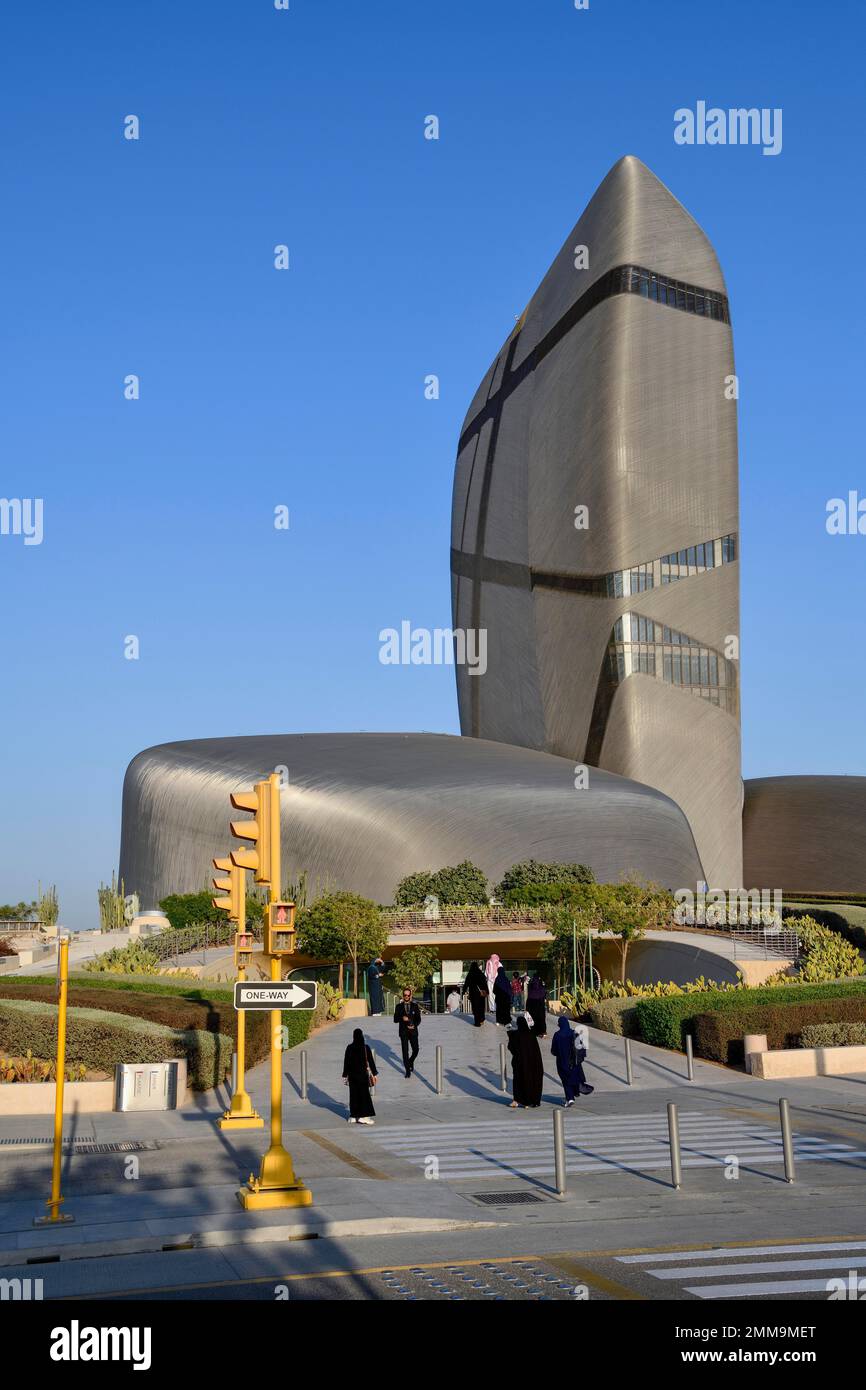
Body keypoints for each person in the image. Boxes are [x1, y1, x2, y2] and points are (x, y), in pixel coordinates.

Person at [550, 1015, 594, 1106]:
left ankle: (570, 1098)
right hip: (574, 1062)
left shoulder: (557, 1035)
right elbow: (581, 1048)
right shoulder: (574, 1033)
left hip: (562, 1062)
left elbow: (554, 1050)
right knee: (573, 1078)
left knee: (565, 1080)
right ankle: (576, 1091)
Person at [341, 1027, 378, 1124]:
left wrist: (345, 1074)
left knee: (353, 1096)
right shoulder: (365, 1048)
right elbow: (371, 1062)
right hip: (362, 1076)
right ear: (362, 1036)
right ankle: (364, 1117)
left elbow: (346, 1062)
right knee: (364, 1096)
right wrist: (374, 1074)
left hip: (352, 1076)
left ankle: (353, 1116)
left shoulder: (349, 1047)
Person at [506, 1015, 544, 1108]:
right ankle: (531, 1101)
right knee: (532, 1081)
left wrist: (510, 1033)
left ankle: (517, 1101)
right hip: (534, 1064)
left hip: (520, 1064)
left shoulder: (516, 1035)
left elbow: (511, 1048)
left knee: (519, 1082)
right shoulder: (531, 1034)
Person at [394, 986, 422, 1077]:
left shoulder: (415, 1006)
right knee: (405, 1052)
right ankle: (407, 1071)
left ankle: (410, 1061)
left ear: (410, 996)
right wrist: (402, 1018)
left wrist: (414, 1025)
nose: (406, 996)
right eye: (405, 995)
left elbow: (418, 1019)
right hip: (403, 1032)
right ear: (403, 996)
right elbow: (395, 1019)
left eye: (408, 995)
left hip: (413, 1031)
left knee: (416, 1050)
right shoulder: (398, 1006)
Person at [463, 960, 488, 1027]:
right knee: (481, 1007)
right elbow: (485, 984)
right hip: (481, 994)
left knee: (475, 1008)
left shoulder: (470, 974)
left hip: (473, 994)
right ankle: (482, 1019)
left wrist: (463, 991)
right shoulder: (480, 973)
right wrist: (487, 991)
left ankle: (477, 1022)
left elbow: (466, 984)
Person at [526, 972, 548, 1037]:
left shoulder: (531, 986)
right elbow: (544, 995)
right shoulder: (542, 987)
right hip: (540, 1005)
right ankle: (543, 1031)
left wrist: (527, 1008)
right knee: (541, 1018)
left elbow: (529, 996)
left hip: (532, 1004)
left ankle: (534, 1032)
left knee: (534, 1018)